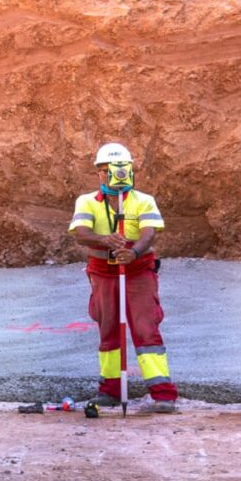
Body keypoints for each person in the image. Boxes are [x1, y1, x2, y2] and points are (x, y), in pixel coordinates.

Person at [67, 142, 178, 413]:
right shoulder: (86, 201)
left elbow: (149, 232)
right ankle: (111, 390)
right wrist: (105, 240)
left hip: (138, 270)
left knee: (144, 327)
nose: (111, 175)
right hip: (103, 271)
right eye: (106, 170)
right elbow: (81, 233)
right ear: (99, 173)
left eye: (117, 169)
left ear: (128, 170)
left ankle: (163, 393)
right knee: (108, 329)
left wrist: (135, 251)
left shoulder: (143, 200)